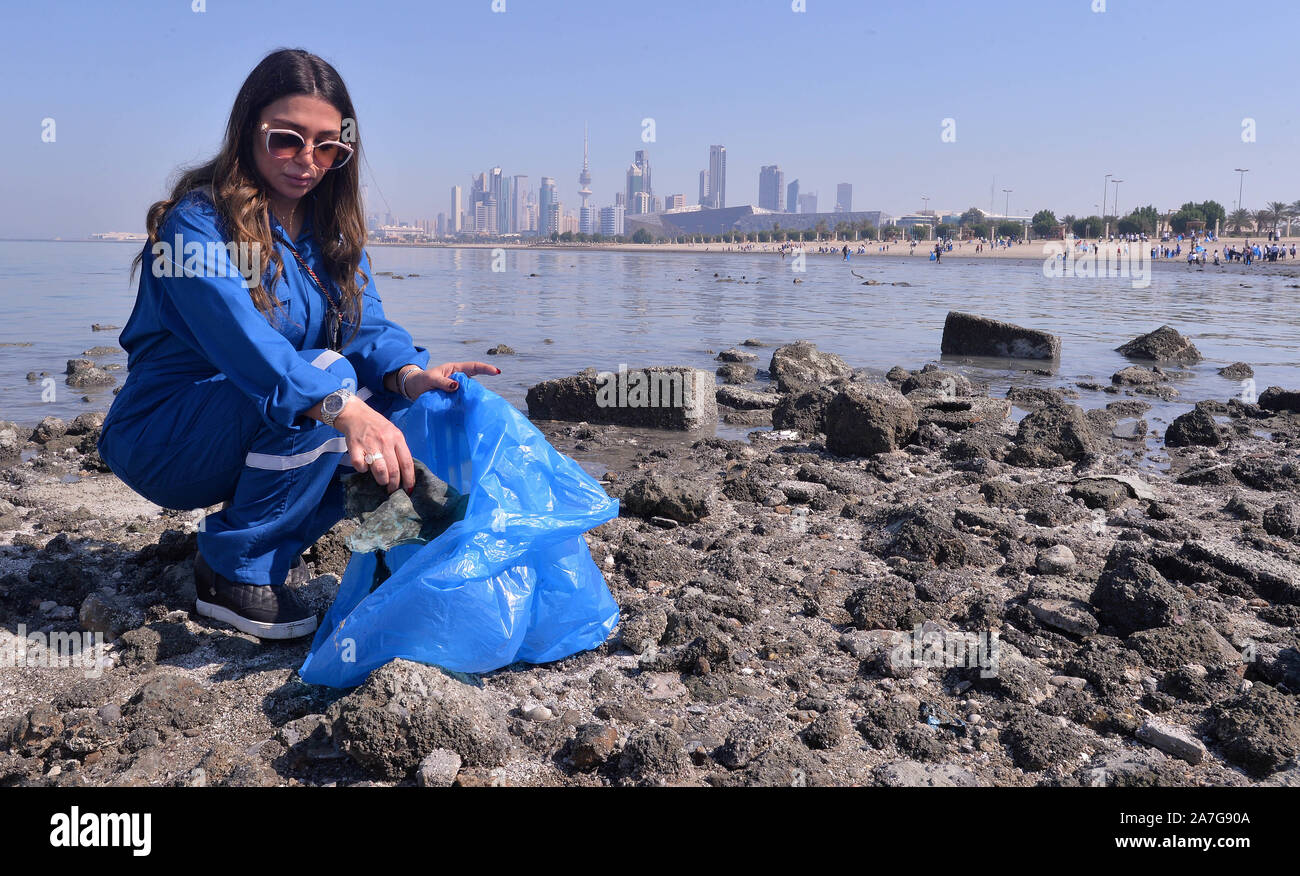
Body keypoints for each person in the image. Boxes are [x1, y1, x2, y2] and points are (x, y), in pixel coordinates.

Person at [97, 49, 500, 640]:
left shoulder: (330, 233)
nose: (307, 161)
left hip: (248, 418)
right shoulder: (195, 226)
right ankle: (234, 571)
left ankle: (388, 549)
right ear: (247, 131)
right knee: (331, 385)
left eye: (328, 146)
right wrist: (342, 404)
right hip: (164, 437)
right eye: (287, 140)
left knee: (393, 402)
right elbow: (245, 344)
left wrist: (409, 376)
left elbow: (367, 328)